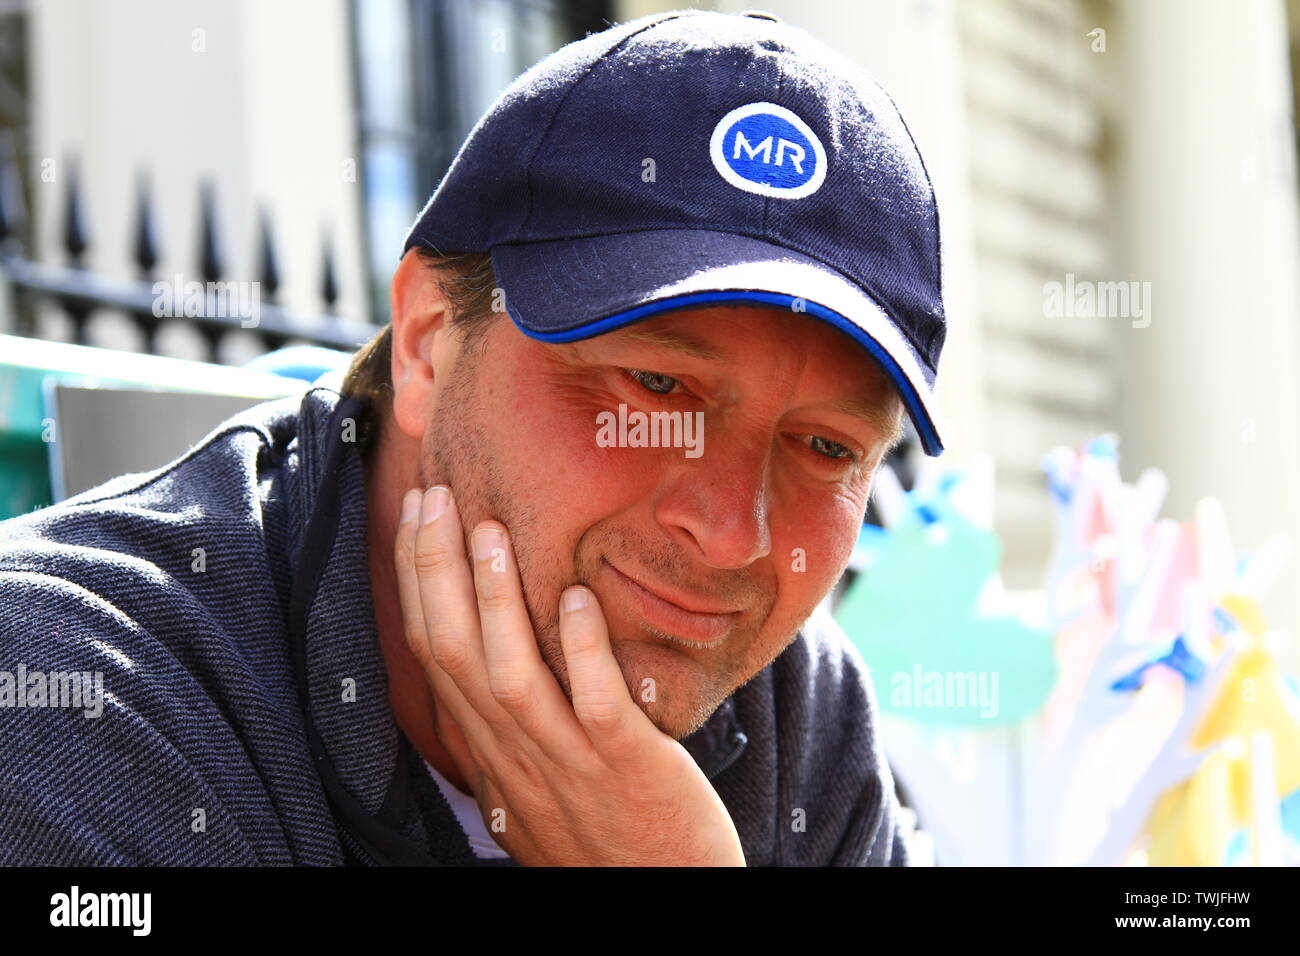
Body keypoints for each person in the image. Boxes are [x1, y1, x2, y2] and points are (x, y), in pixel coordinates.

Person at [0, 8, 947, 865]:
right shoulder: (69, 691)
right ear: (424, 344)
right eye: (657, 386)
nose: (733, 534)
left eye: (826, 448)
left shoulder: (797, 707)